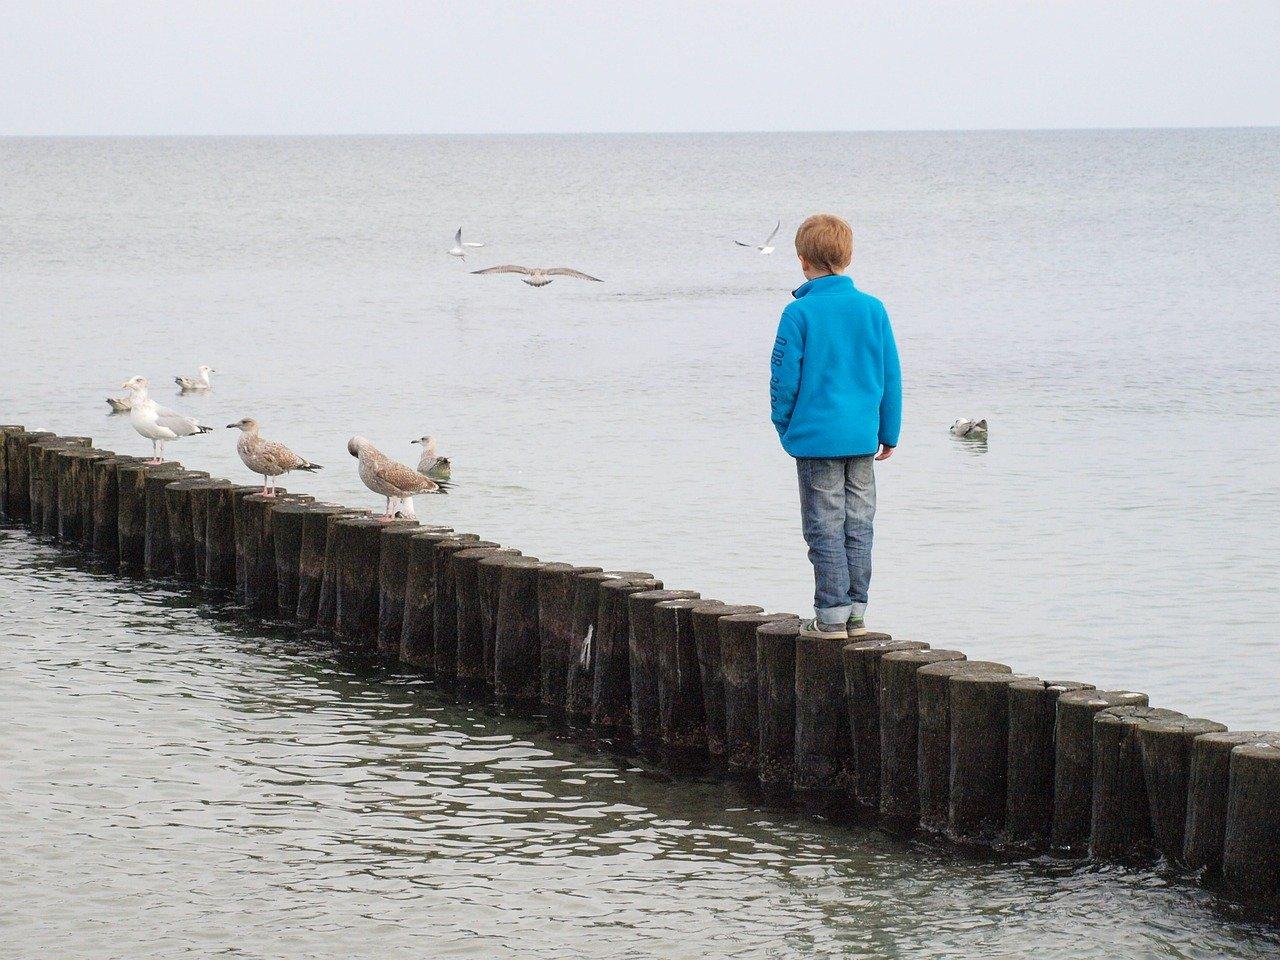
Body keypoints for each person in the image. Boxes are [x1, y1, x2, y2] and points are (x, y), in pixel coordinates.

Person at [769, 213, 902, 639]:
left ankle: (830, 615)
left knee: (823, 526)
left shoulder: (798, 313)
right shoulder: (873, 309)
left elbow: (783, 381)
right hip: (862, 437)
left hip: (816, 440)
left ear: (803, 261)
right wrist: (890, 431)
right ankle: (857, 614)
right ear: (847, 257)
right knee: (858, 523)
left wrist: (786, 428)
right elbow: (890, 375)